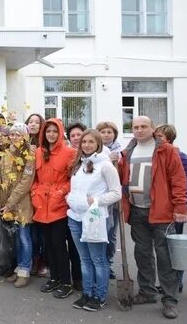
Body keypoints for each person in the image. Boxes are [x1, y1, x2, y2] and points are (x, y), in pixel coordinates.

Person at [119, 116, 187, 319]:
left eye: (143, 127)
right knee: (142, 253)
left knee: (164, 256)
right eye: (135, 127)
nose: (139, 130)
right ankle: (147, 291)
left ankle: (169, 300)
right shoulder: (128, 151)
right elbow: (124, 178)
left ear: (152, 128)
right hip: (137, 210)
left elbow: (178, 179)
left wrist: (180, 207)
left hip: (162, 211)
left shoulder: (165, 150)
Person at [66, 129, 122, 311]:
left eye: (91, 142)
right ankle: (87, 293)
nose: (87, 145)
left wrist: (96, 201)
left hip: (95, 219)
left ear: (98, 144)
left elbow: (116, 193)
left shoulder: (105, 166)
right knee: (84, 259)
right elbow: (76, 188)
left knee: (98, 259)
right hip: (75, 217)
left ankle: (99, 296)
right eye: (84, 142)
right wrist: (70, 198)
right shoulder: (79, 164)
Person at [31, 118, 80, 298]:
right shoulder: (38, 152)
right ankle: (55, 278)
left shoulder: (69, 152)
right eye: (48, 131)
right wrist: (35, 192)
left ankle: (66, 281)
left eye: (54, 131)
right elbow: (34, 178)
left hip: (59, 204)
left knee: (59, 244)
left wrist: (61, 192)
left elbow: (73, 178)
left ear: (60, 133)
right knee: (48, 245)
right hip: (41, 203)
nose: (51, 134)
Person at [0, 123, 36, 287]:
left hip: (22, 204)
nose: (14, 137)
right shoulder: (6, 154)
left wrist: (10, 203)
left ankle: (25, 271)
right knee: (15, 240)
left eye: (18, 134)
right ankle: (18, 269)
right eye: (12, 134)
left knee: (24, 238)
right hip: (6, 205)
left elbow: (26, 182)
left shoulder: (29, 154)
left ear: (24, 135)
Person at [154, 124, 187, 293]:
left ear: (168, 138)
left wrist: (185, 208)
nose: (156, 139)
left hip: (176, 210)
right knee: (166, 247)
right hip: (162, 209)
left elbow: (185, 184)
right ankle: (170, 283)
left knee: (174, 247)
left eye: (159, 136)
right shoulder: (155, 154)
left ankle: (177, 282)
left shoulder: (180, 156)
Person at [96, 121, 122, 279]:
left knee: (111, 234)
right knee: (98, 232)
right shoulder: (94, 150)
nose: (106, 135)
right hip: (98, 198)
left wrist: (116, 161)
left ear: (114, 134)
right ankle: (100, 264)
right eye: (103, 132)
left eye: (109, 132)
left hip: (114, 200)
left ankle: (109, 262)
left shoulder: (121, 152)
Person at [25, 113, 47, 277]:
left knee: (40, 231)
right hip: (25, 192)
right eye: (30, 122)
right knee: (30, 231)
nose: (33, 124)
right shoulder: (23, 142)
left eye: (36, 122)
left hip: (40, 192)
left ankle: (41, 262)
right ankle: (32, 260)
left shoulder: (44, 144)